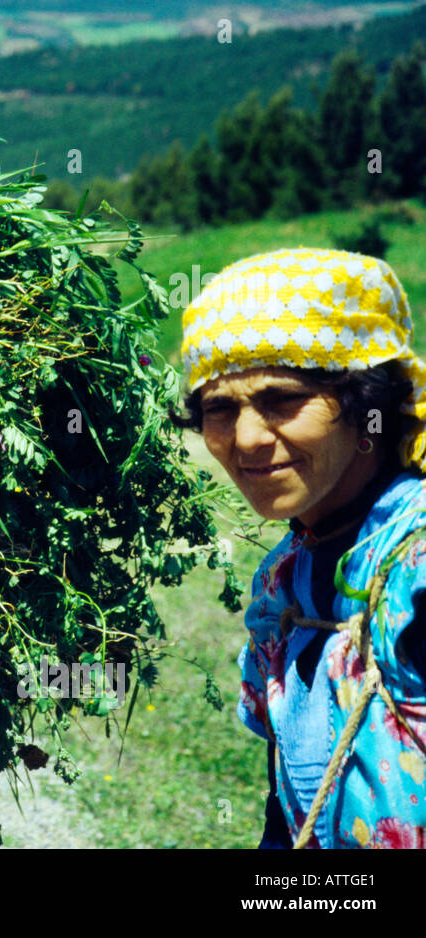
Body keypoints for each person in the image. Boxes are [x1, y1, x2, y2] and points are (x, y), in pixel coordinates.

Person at [176, 247, 426, 848]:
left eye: (283, 400)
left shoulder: (413, 571)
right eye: (219, 409)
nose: (247, 439)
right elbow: (285, 807)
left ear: (367, 403)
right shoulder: (282, 581)